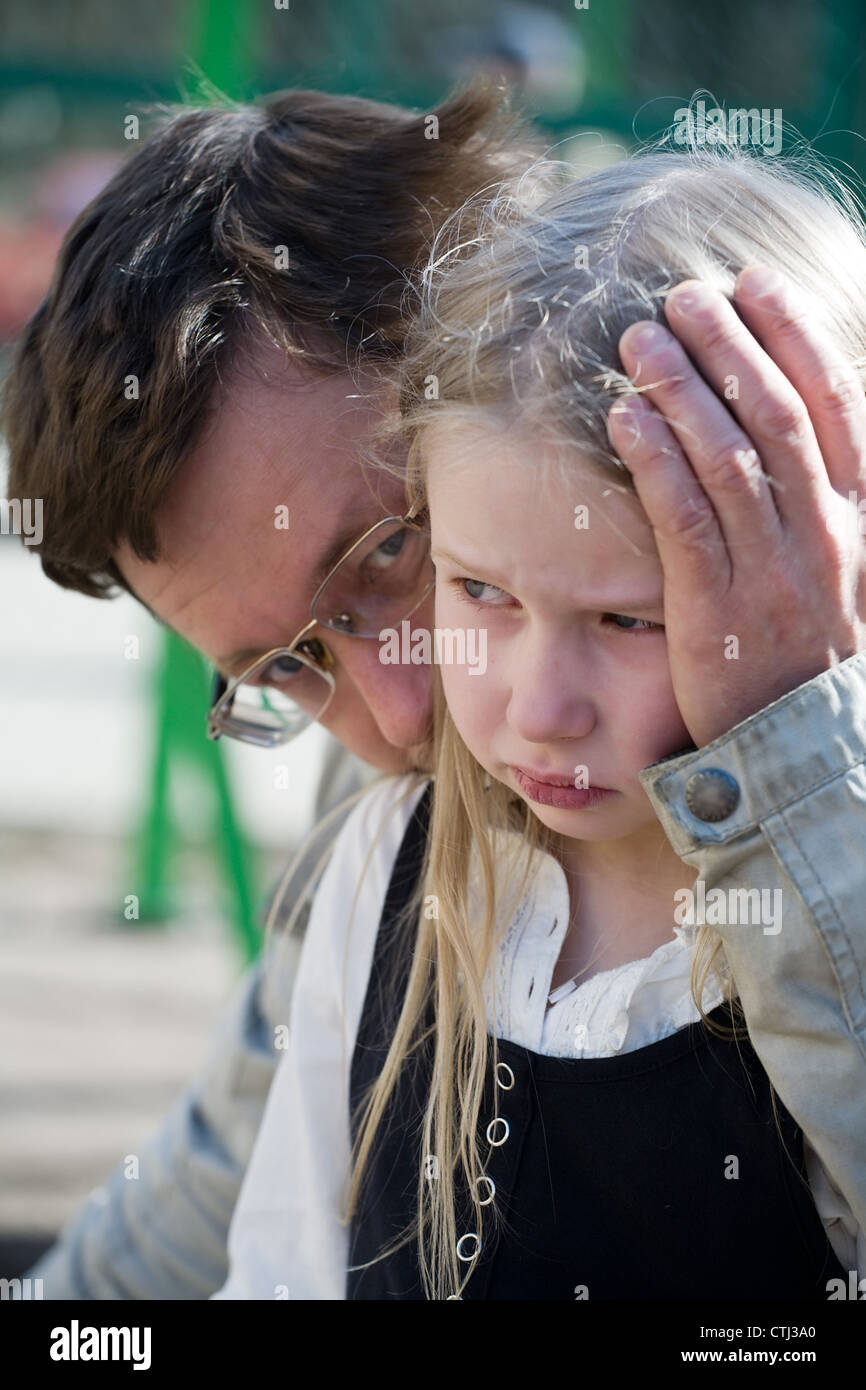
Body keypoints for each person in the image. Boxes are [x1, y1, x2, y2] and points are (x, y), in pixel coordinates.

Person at [4, 88, 865, 1299]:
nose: (400, 721)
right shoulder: (389, 854)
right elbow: (221, 1195)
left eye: (388, 557)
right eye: (289, 668)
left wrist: (794, 757)